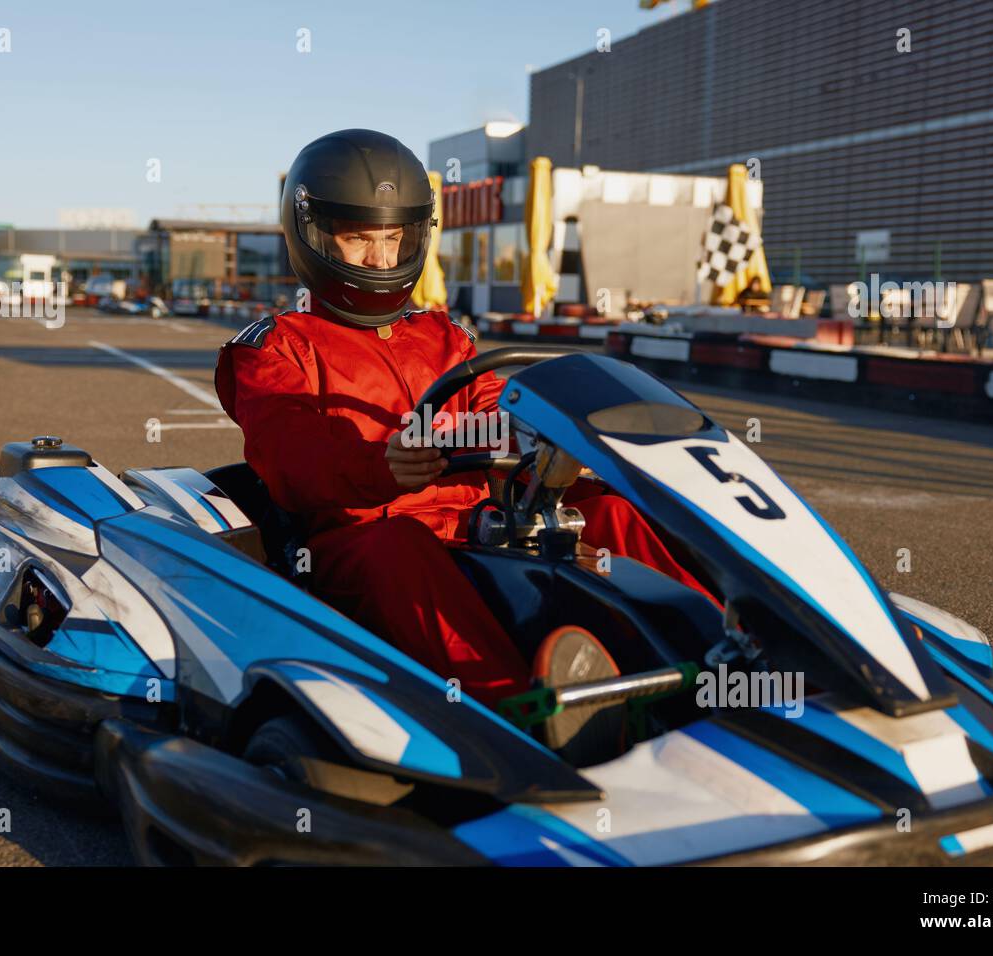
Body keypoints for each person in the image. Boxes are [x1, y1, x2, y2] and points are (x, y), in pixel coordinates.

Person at [214, 129, 717, 723]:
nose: (379, 259)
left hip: (477, 526)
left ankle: (734, 657)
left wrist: (554, 444)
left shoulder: (444, 337)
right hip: (356, 544)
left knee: (610, 513)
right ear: (312, 236)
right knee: (399, 548)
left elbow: (498, 415)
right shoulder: (277, 348)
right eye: (357, 240)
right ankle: (514, 709)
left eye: (392, 238)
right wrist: (380, 467)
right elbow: (290, 459)